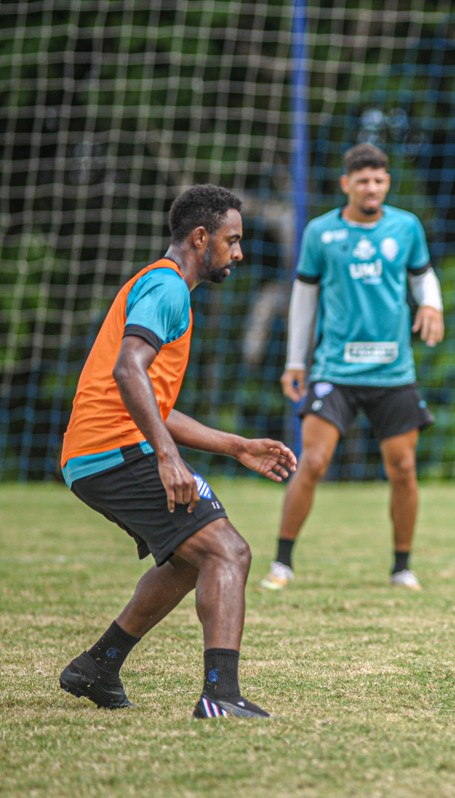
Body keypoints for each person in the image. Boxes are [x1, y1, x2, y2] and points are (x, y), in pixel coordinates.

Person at [59, 185, 297, 719]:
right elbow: (127, 371)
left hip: (100, 451)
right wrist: (167, 459)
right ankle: (220, 695)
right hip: (113, 450)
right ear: (200, 237)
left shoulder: (165, 290)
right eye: (231, 241)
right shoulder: (167, 288)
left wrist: (237, 446)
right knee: (228, 552)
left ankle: (98, 666)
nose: (238, 253)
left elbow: (153, 403)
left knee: (194, 559)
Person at [261, 143, 444, 592]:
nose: (372, 188)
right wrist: (295, 362)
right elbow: (305, 297)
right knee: (314, 462)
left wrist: (432, 306)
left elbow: (422, 277)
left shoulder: (406, 227)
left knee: (402, 467)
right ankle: (282, 563)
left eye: (379, 180)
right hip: (334, 371)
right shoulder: (321, 233)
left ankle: (402, 567)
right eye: (363, 180)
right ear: (347, 184)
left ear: (387, 183)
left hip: (393, 372)